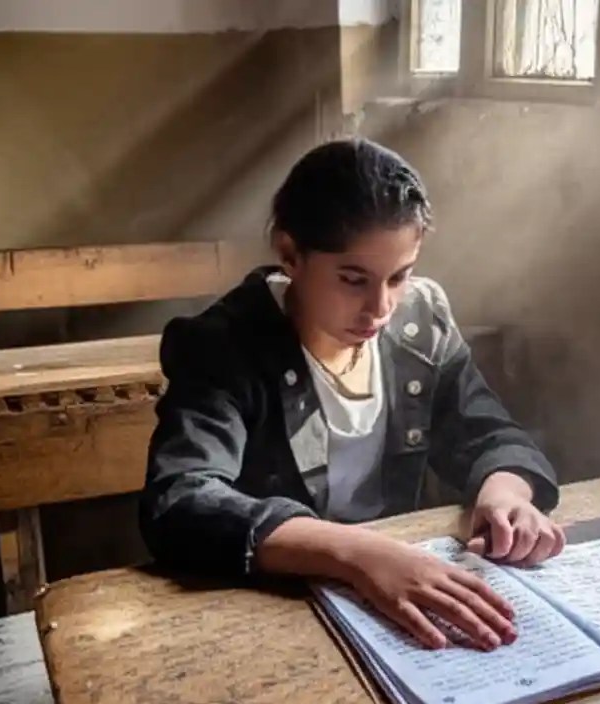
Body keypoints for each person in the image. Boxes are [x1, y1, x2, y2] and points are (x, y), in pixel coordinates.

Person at [138, 137, 564, 652]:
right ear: (290, 253)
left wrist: (506, 495)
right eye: (353, 279)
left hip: (394, 586)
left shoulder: (421, 322)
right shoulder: (225, 344)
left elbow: (487, 432)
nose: (380, 308)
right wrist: (357, 555)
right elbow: (181, 499)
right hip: (271, 604)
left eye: (400, 276)